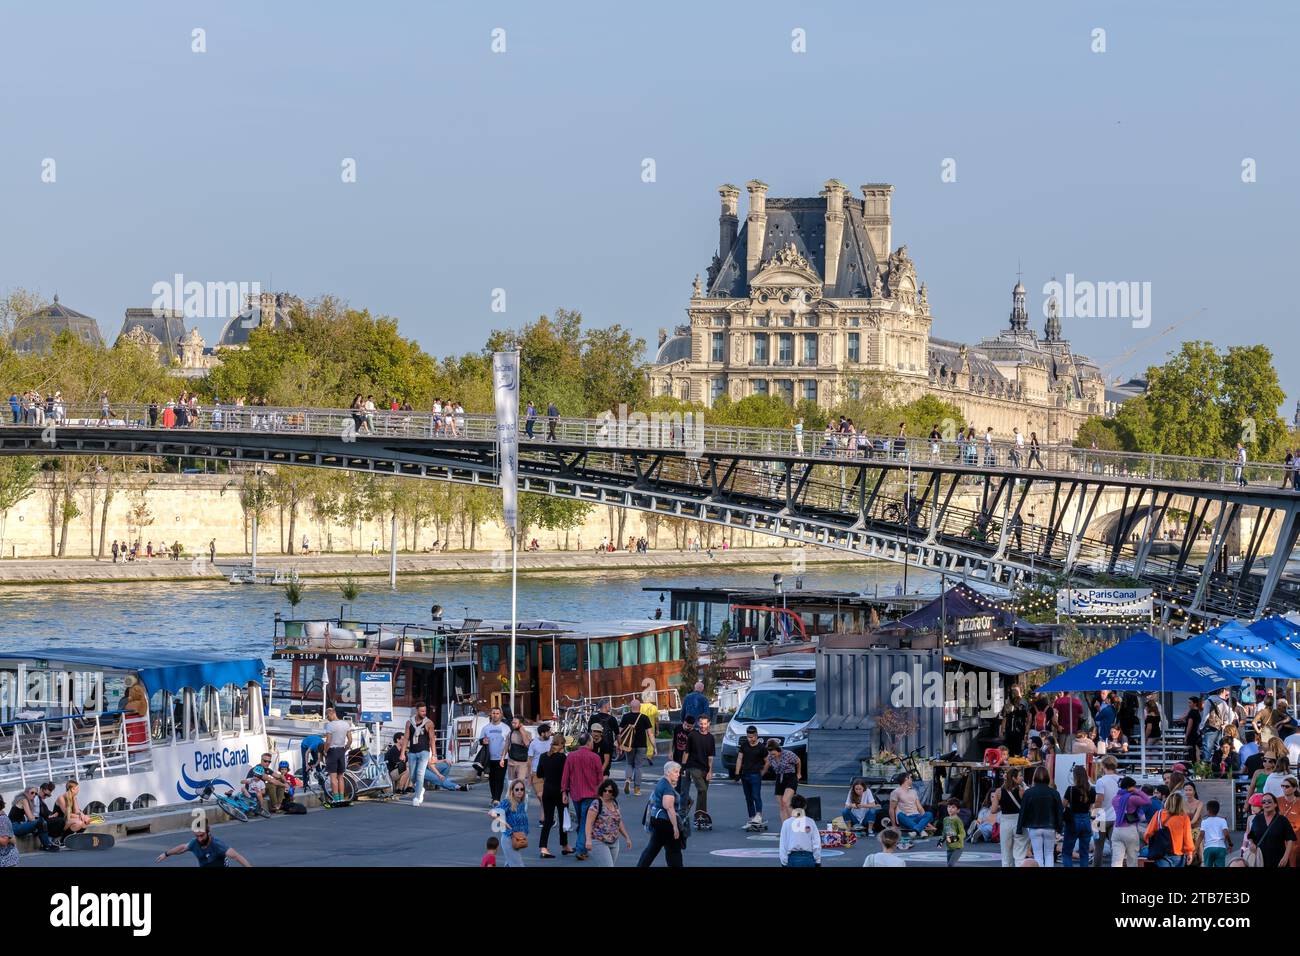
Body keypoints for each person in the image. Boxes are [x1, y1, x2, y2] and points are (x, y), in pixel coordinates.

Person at [561, 732, 604, 861]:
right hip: (591, 794)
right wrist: (602, 794)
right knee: (585, 821)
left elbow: (566, 775)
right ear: (589, 743)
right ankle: (581, 848)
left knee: (582, 820)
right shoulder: (595, 757)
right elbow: (600, 777)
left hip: (576, 793)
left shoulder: (571, 756)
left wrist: (564, 792)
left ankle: (582, 845)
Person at [637, 761, 684, 867]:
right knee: (674, 851)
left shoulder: (662, 782)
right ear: (667, 772)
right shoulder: (667, 787)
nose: (678, 774)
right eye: (675, 772)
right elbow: (668, 807)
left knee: (653, 849)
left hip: (657, 819)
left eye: (678, 772)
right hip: (665, 822)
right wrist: (675, 827)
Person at [1016, 766, 1062, 866]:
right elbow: (1059, 811)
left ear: (1034, 777)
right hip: (1050, 827)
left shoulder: (1028, 793)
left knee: (1038, 854)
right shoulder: (1054, 793)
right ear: (1047, 777)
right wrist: (1060, 828)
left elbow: (1023, 811)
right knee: (1049, 854)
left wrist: (1019, 828)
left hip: (1034, 827)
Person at [536, 732, 571, 859]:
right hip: (560, 791)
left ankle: (543, 847)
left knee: (548, 820)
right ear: (562, 745)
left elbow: (539, 774)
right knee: (563, 819)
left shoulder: (543, 756)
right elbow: (567, 776)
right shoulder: (563, 758)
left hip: (547, 790)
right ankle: (564, 845)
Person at [585, 778, 633, 866]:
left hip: (614, 842)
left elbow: (618, 822)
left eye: (610, 791)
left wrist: (627, 837)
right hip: (599, 841)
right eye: (605, 790)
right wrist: (588, 839)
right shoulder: (596, 803)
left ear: (613, 793)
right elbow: (589, 823)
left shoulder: (614, 803)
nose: (607, 793)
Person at [156, 824, 250, 867]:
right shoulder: (195, 843)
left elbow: (236, 856)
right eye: (197, 836)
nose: (200, 839)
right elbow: (182, 848)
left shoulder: (217, 845)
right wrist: (166, 854)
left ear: (208, 832)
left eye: (202, 835)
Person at [1244, 791, 1296, 867]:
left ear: (1275, 804)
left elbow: (1290, 839)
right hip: (1260, 859)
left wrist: (1286, 857)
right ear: (1262, 805)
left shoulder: (1282, 820)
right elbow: (1251, 835)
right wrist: (1251, 843)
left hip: (1278, 859)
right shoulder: (1257, 819)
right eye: (1264, 802)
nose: (1266, 803)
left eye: (1269, 801)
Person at [1144, 790, 1194, 867]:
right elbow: (1187, 837)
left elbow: (1148, 834)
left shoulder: (1159, 814)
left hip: (1162, 854)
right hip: (1179, 855)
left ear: (1168, 802)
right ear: (1181, 804)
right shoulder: (1184, 817)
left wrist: (1154, 845)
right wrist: (1189, 852)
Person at [1110, 776, 1152, 868]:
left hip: (1117, 829)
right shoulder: (1132, 799)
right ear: (1130, 787)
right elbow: (1148, 801)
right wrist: (1137, 791)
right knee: (1132, 859)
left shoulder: (1115, 799)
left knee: (1117, 860)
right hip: (1130, 830)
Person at [992, 766, 1029, 867]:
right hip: (1019, 821)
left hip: (1005, 821)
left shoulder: (999, 791)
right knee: (1020, 853)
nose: (1022, 778)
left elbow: (993, 810)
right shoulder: (1022, 790)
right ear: (1014, 778)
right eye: (1020, 776)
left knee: (1006, 854)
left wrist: (1002, 806)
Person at [617, 701, 652, 796]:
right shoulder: (644, 717)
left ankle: (628, 780)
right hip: (642, 745)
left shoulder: (625, 717)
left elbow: (619, 732)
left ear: (630, 707)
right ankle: (637, 789)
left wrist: (619, 745)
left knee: (629, 763)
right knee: (638, 766)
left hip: (629, 745)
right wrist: (654, 746)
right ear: (640, 707)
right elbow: (650, 734)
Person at [1061, 764, 1093, 867]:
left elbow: (1063, 805)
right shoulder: (1091, 789)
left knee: (1067, 852)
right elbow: (1091, 807)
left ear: (1075, 776)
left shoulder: (1070, 789)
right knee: (1084, 853)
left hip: (1073, 820)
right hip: (1086, 820)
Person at [7, 786, 58, 851]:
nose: (34, 795)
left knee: (41, 822)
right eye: (32, 793)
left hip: (17, 825)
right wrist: (39, 822)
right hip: (14, 827)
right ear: (26, 792)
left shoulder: (26, 800)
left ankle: (46, 844)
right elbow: (31, 818)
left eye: (36, 793)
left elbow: (30, 817)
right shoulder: (23, 800)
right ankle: (47, 845)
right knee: (41, 822)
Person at [778, 794, 822, 867]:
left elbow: (783, 845)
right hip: (808, 858)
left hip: (793, 858)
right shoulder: (811, 822)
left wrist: (784, 862)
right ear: (805, 806)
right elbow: (816, 843)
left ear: (791, 806)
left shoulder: (786, 823)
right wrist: (818, 860)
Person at [685, 715, 716, 820]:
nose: (703, 726)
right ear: (698, 723)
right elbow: (686, 752)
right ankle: (698, 815)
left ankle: (702, 815)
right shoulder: (692, 735)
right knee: (702, 789)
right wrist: (683, 767)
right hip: (693, 766)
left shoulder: (711, 738)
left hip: (705, 768)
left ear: (709, 723)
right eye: (701, 723)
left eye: (705, 724)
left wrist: (710, 771)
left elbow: (710, 756)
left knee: (703, 792)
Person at [493, 780, 530, 867]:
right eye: (517, 789)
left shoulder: (521, 803)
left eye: (522, 789)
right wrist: (504, 822)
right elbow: (492, 812)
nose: (519, 791)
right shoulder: (507, 802)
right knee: (518, 864)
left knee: (510, 864)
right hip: (508, 838)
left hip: (517, 838)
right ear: (512, 791)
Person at [405, 702, 436, 805]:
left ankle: (417, 798)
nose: (424, 713)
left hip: (424, 752)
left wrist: (434, 755)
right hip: (412, 752)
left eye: (425, 711)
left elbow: (432, 739)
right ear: (417, 711)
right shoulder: (409, 723)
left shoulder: (429, 723)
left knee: (420, 774)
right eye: (422, 711)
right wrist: (402, 753)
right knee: (412, 777)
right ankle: (420, 788)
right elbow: (406, 738)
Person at [480, 706, 511, 804]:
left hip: (502, 757)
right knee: (492, 779)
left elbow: (509, 743)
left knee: (499, 779)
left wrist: (505, 755)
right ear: (491, 714)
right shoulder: (486, 728)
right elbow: (480, 740)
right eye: (493, 713)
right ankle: (494, 797)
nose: (495, 715)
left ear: (501, 715)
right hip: (489, 758)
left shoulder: (506, 728)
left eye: (497, 713)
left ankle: (497, 799)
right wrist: (483, 741)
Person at [765, 738, 801, 823]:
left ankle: (795, 823)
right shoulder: (770, 757)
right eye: (771, 754)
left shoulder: (788, 754)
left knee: (786, 801)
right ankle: (785, 826)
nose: (772, 756)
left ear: (778, 750)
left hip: (790, 777)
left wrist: (798, 773)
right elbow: (767, 765)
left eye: (774, 754)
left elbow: (798, 761)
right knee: (781, 805)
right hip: (779, 778)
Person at [322, 708, 352, 805]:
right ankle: (342, 797)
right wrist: (345, 749)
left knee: (333, 776)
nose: (327, 718)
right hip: (341, 750)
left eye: (327, 716)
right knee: (341, 776)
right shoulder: (346, 724)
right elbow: (350, 740)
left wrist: (325, 751)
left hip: (332, 751)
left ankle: (336, 798)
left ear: (331, 714)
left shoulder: (330, 725)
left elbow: (328, 742)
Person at [890, 772, 935, 836]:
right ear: (906, 779)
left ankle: (916, 831)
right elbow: (891, 809)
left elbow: (920, 808)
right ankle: (921, 830)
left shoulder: (913, 792)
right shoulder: (896, 792)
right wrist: (893, 825)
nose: (912, 779)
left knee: (929, 814)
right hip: (905, 818)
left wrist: (928, 824)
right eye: (910, 778)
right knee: (899, 815)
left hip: (916, 817)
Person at [1200, 799, 1232, 867]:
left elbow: (1201, 836)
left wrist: (1195, 848)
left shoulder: (1204, 822)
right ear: (1218, 810)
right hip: (1220, 848)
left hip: (1208, 848)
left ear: (1207, 810)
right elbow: (1226, 834)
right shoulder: (1222, 820)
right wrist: (1230, 844)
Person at [527, 722, 553, 802]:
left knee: (548, 798)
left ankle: (546, 810)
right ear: (542, 734)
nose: (550, 733)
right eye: (548, 732)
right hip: (536, 773)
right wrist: (529, 776)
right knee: (540, 796)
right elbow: (529, 760)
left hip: (550, 773)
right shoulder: (534, 743)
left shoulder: (552, 741)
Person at [1001, 686, 1028, 757]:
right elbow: (1004, 717)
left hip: (1017, 731)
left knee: (1016, 751)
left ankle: (1014, 761)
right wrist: (1003, 729)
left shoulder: (1022, 704)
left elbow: (1026, 718)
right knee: (1011, 750)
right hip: (1011, 731)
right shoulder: (1008, 705)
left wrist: (1026, 732)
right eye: (1013, 692)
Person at [506, 716, 532, 787]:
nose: (513, 724)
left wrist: (522, 732)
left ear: (521, 724)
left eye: (515, 723)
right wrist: (502, 758)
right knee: (512, 784)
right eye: (512, 723)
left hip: (523, 762)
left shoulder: (528, 733)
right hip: (512, 762)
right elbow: (506, 746)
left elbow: (527, 744)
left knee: (520, 783)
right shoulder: (510, 733)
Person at [941, 798, 967, 866]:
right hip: (949, 847)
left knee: (950, 865)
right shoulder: (945, 819)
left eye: (953, 807)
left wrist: (954, 838)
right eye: (949, 807)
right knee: (949, 865)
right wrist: (941, 841)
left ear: (958, 810)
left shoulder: (958, 820)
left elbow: (963, 833)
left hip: (957, 847)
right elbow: (944, 832)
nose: (950, 809)